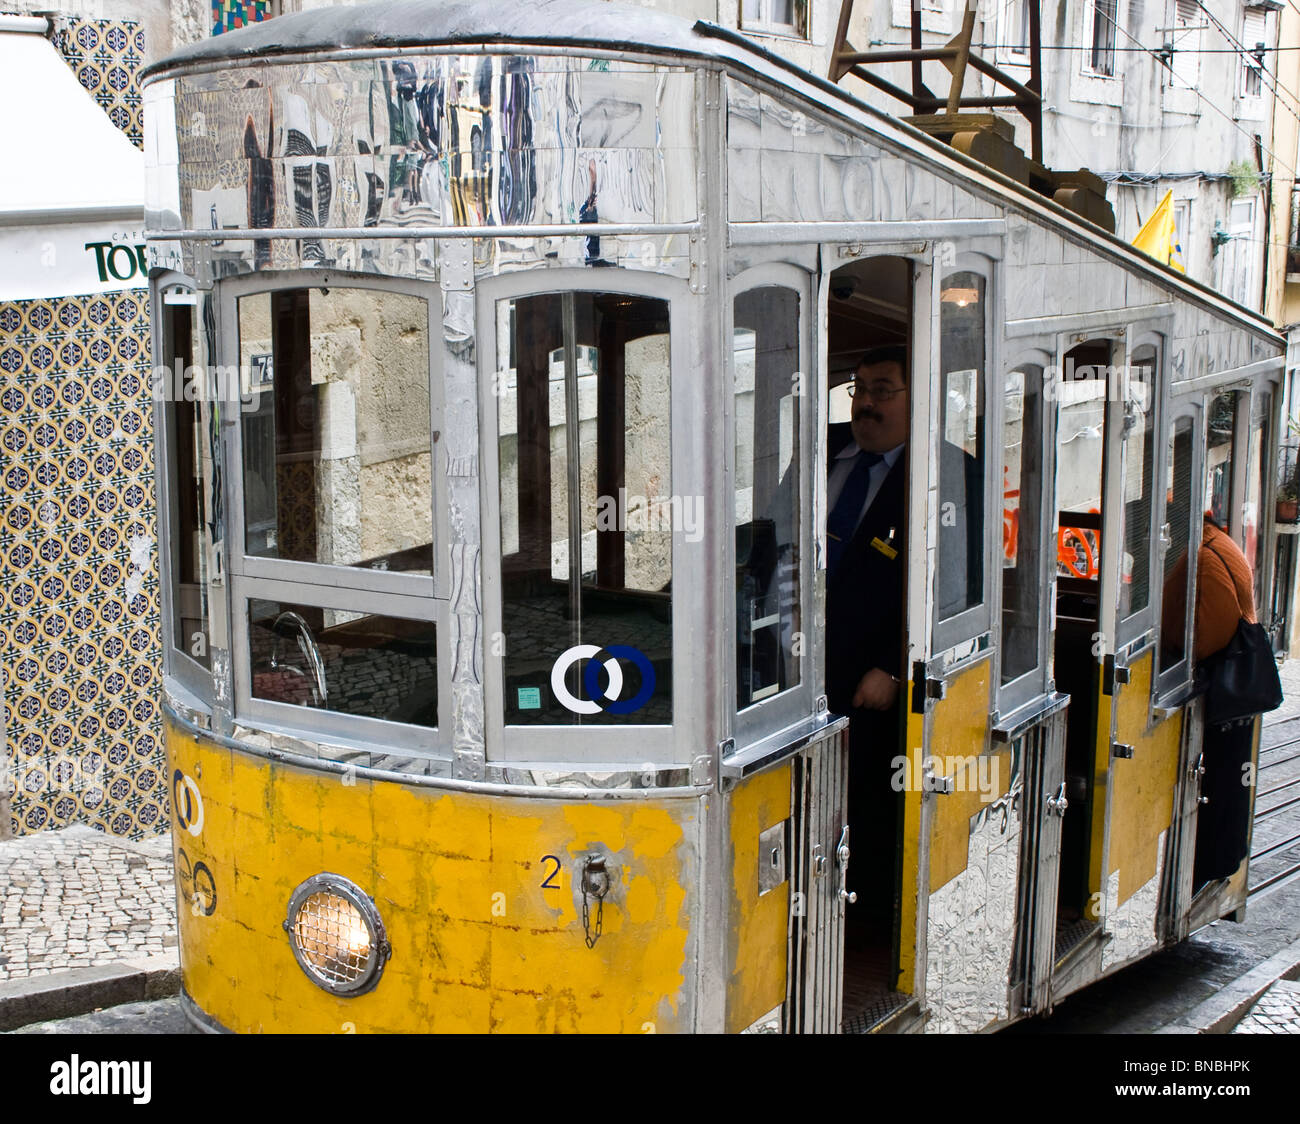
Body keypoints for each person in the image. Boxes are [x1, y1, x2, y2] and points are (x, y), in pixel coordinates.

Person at [825, 346, 909, 929]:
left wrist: (894, 665)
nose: (866, 402)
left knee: (863, 804)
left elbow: (949, 585)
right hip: (791, 665)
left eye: (882, 388)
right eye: (858, 388)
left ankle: (859, 928)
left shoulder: (945, 471)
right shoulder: (824, 447)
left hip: (868, 681)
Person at [1162, 513, 1259, 888]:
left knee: (1219, 780)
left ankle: (1208, 864)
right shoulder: (1216, 545)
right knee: (1228, 778)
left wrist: (1176, 652)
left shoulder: (1201, 557)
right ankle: (1217, 858)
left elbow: (1207, 636)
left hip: (1224, 686)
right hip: (1237, 686)